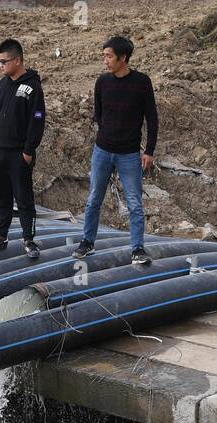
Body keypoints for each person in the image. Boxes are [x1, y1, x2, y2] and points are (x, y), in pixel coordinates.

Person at [71, 35, 158, 265]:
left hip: (129, 154)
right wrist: (108, 133)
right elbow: (98, 114)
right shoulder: (102, 82)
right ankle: (87, 242)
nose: (105, 61)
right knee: (93, 199)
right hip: (102, 151)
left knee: (135, 202)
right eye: (104, 56)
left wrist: (149, 151)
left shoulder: (141, 82)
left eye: (109, 56)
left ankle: (137, 249)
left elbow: (152, 118)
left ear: (123, 58)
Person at [0, 38, 45, 259]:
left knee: (24, 197)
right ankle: (1, 236)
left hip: (19, 152)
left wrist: (29, 149)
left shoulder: (32, 87)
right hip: (0, 150)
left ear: (18, 60)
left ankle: (29, 240)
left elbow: (37, 119)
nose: (0, 66)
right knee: (2, 195)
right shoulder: (3, 84)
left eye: (4, 61)